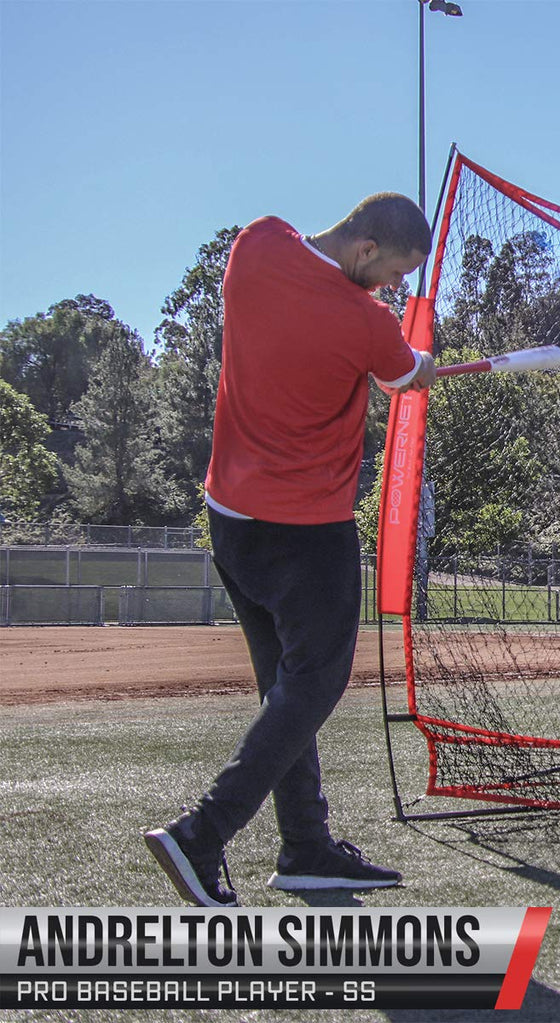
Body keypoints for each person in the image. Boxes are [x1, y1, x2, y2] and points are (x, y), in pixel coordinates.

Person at [143, 194, 438, 906]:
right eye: (394, 274)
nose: (393, 289)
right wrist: (420, 357)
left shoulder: (254, 244)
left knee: (286, 686)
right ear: (365, 251)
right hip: (306, 537)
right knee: (314, 684)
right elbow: (411, 374)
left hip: (231, 522)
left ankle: (305, 843)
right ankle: (201, 833)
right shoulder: (365, 321)